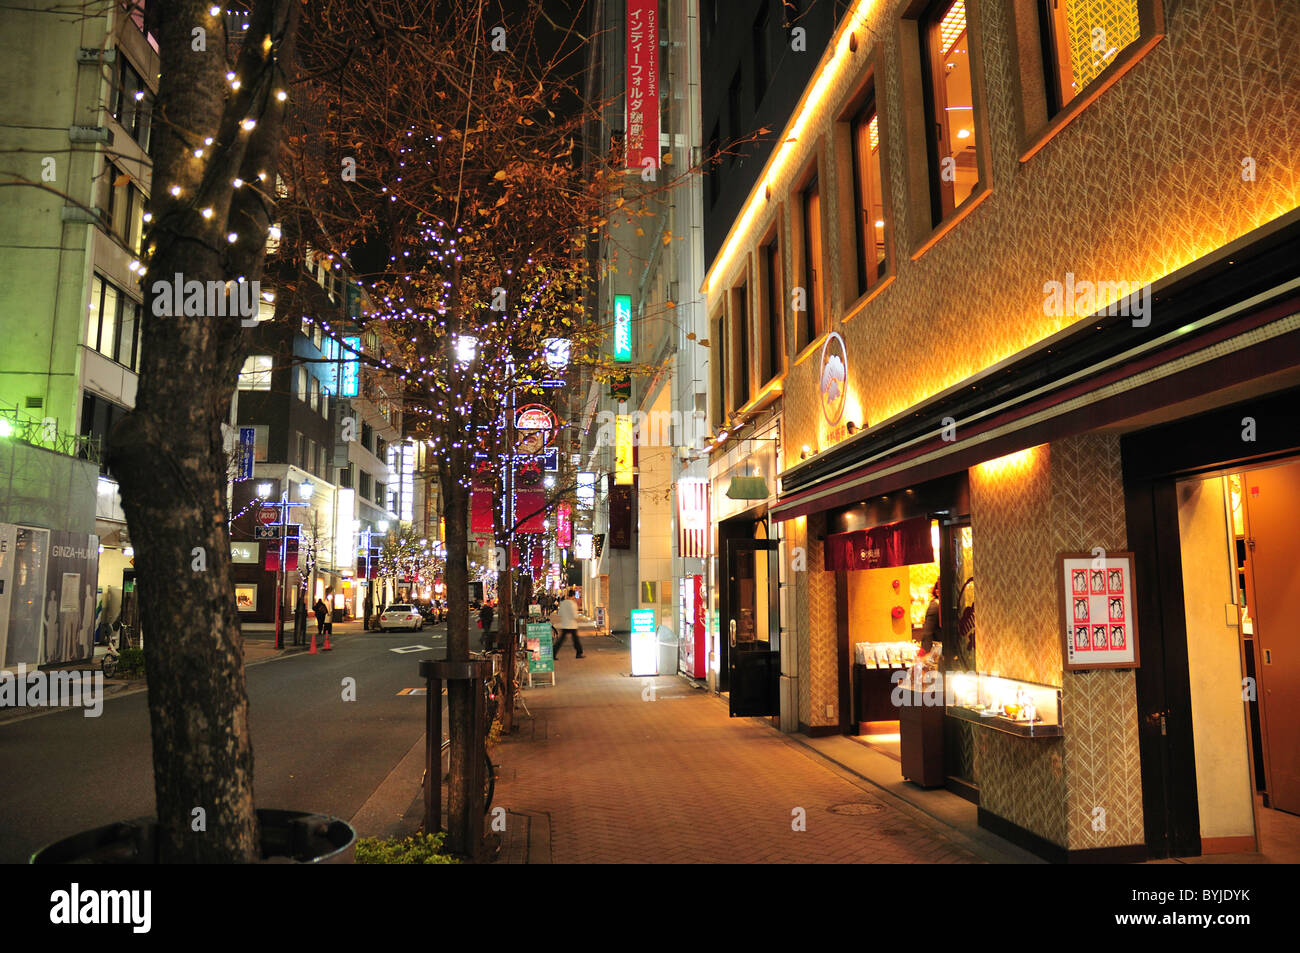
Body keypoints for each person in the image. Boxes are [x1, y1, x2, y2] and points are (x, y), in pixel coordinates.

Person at [552, 589, 583, 659]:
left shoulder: (563, 603)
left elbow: (559, 613)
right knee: (575, 640)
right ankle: (579, 653)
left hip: (565, 624)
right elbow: (575, 616)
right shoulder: (573, 604)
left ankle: (554, 653)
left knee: (560, 641)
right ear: (573, 595)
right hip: (572, 625)